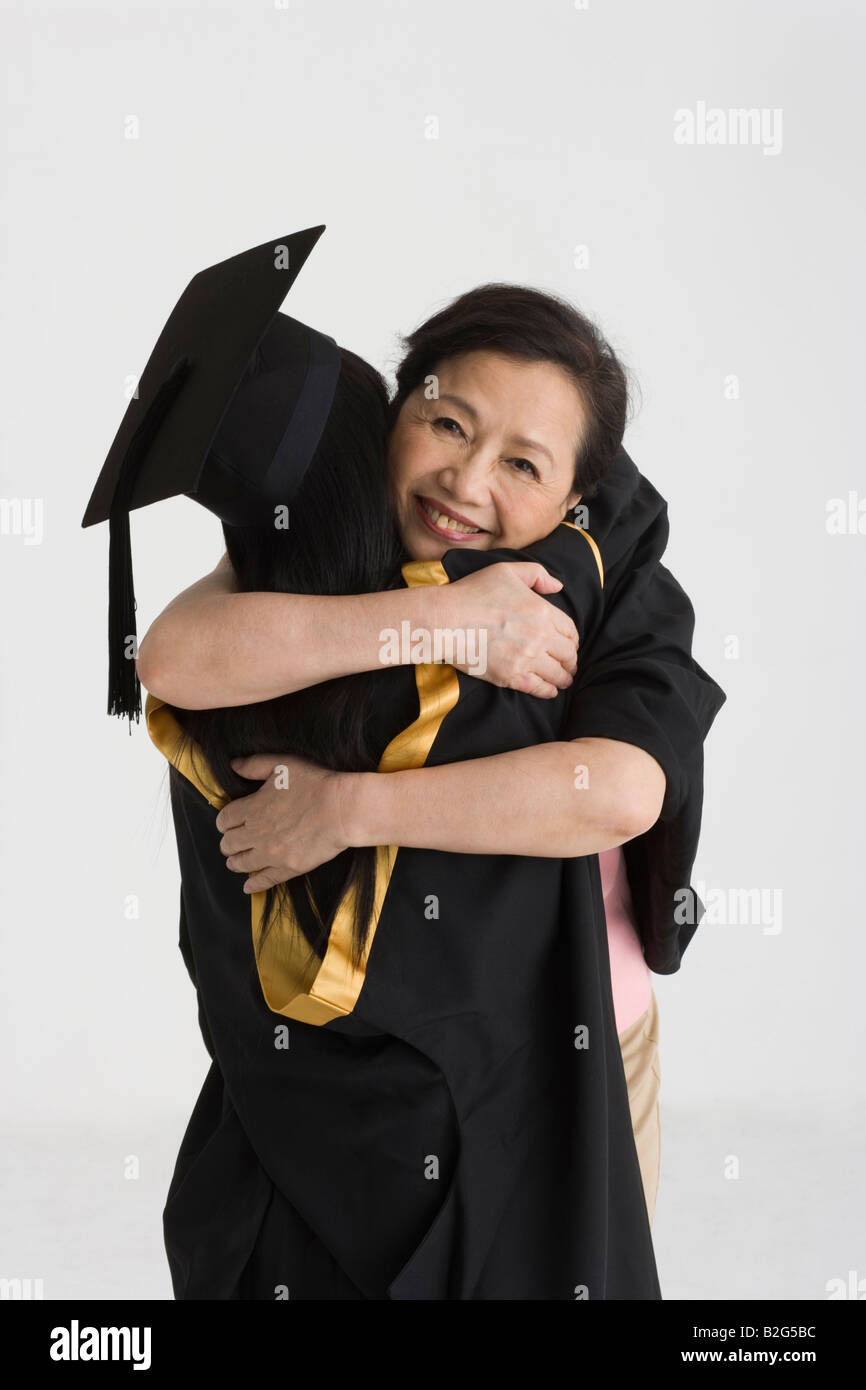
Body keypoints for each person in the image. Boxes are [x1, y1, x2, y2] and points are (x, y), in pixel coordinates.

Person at [140, 285, 725, 1238]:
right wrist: (445, 620)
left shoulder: (611, 582)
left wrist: (345, 810)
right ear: (397, 403)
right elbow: (178, 657)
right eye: (448, 422)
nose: (466, 481)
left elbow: (615, 791)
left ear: (578, 496)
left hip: (572, 1051)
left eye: (522, 464)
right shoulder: (333, 540)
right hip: (351, 1076)